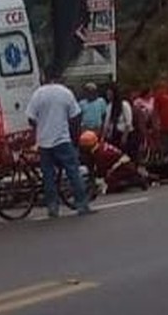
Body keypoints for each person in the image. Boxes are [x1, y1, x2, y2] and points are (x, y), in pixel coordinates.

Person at [26, 73, 92, 217]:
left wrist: (41, 126)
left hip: (44, 142)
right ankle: (81, 204)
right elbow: (75, 116)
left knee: (48, 175)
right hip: (62, 140)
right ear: (57, 78)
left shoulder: (37, 94)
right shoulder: (65, 92)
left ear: (43, 79)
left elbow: (30, 118)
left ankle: (53, 207)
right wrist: (74, 138)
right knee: (73, 171)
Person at [103, 84, 134, 149]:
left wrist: (124, 136)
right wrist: (104, 135)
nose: (108, 95)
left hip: (123, 133)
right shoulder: (109, 106)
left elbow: (128, 122)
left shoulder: (124, 105)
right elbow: (107, 123)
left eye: (109, 93)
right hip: (113, 134)